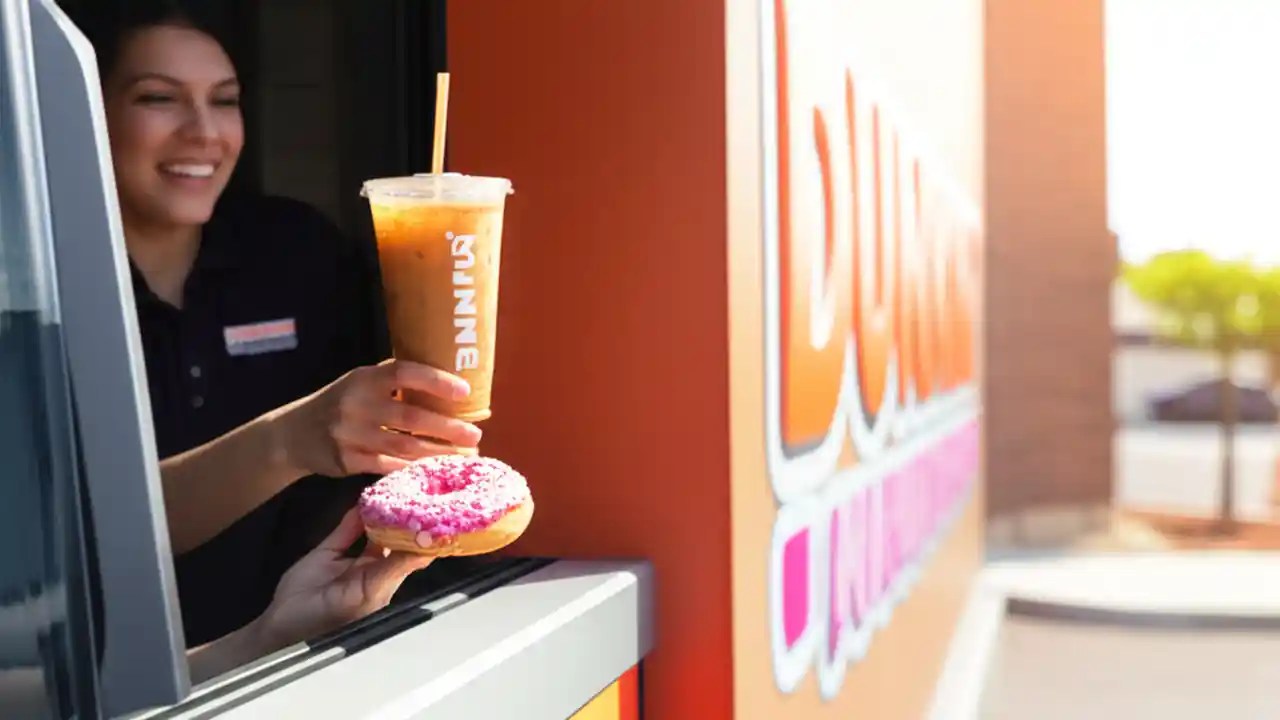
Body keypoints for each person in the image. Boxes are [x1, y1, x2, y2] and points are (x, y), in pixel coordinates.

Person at [79, 0, 481, 649]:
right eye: (159, 98)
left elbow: (353, 478)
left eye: (226, 99)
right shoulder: (41, 292)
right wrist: (293, 439)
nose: (204, 133)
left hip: (293, 656)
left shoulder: (294, 252)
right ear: (86, 112)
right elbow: (70, 535)